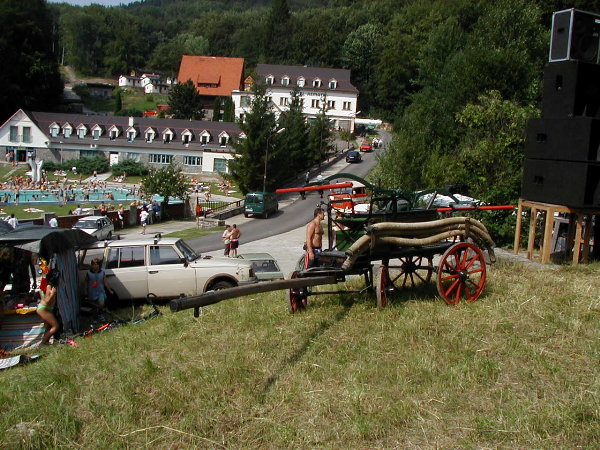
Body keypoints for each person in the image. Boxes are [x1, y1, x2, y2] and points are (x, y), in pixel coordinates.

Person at [37, 275, 59, 345]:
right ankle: (43, 343)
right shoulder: (49, 286)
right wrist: (52, 293)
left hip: (45, 308)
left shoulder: (50, 286)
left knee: (48, 327)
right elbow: (47, 300)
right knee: (55, 326)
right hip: (43, 308)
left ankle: (46, 342)